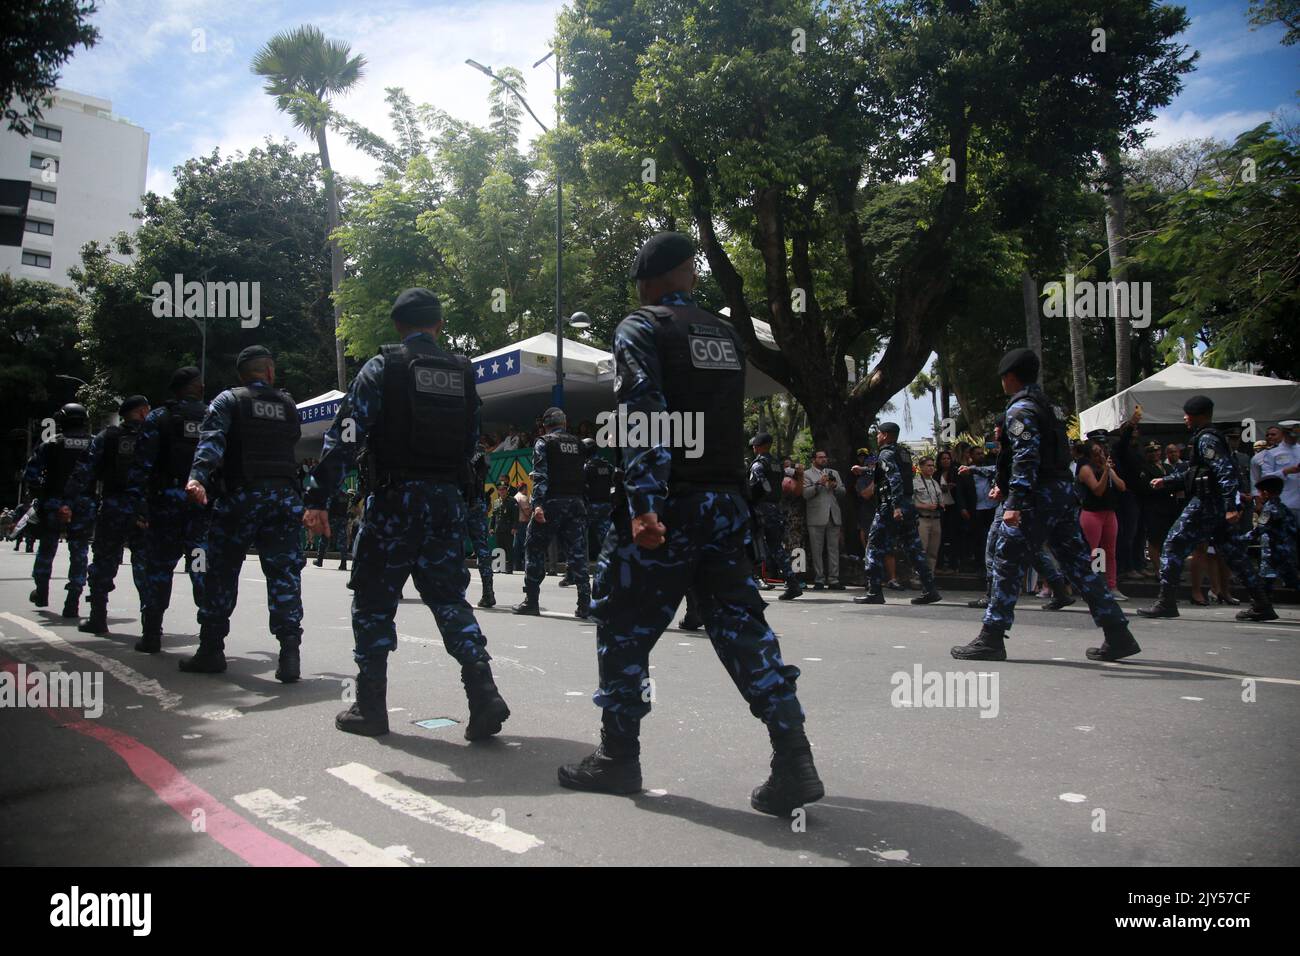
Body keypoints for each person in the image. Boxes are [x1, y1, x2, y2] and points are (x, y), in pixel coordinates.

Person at [558, 231, 821, 815]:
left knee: (623, 625)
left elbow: (644, 410)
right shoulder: (726, 334)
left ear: (648, 282)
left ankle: (617, 758)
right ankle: (794, 758)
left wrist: (644, 501)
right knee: (742, 629)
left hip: (670, 502)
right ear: (690, 275)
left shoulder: (641, 327)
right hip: (724, 503)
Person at [305, 288, 510, 739]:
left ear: (397, 326)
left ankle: (371, 707)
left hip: (395, 501)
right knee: (448, 598)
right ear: (438, 324)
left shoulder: (383, 368)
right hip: (447, 502)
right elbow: (472, 440)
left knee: (374, 600)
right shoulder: (462, 373)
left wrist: (319, 497)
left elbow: (345, 435)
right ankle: (483, 689)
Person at [951, 348, 1139, 662]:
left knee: (1006, 561)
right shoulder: (1046, 407)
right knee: (1080, 565)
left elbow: (1026, 456)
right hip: (1060, 495)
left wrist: (1016, 502)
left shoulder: (1020, 410)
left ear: (1009, 377)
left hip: (1037, 498)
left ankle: (992, 637)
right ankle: (1118, 632)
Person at [182, 346, 305, 680]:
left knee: (221, 572)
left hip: (241, 496)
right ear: (269, 371)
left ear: (242, 374)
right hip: (283, 497)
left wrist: (198, 477)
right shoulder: (288, 404)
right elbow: (291, 439)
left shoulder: (228, 400)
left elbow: (212, 441)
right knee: (284, 575)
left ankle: (211, 650)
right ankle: (289, 653)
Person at [1138, 396, 1276, 622]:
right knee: (1234, 554)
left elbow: (1224, 473)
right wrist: (1168, 481)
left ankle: (1166, 602)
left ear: (1197, 416)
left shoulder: (1206, 440)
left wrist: (1231, 507)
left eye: (1187, 415)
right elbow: (1197, 473)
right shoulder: (1208, 438)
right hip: (1215, 504)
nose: (1184, 419)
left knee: (1173, 545)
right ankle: (1262, 603)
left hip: (1206, 504)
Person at [127, 366, 210, 653]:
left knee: (160, 568)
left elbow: (141, 467)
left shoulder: (158, 418)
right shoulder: (214, 416)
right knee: (201, 566)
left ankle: (151, 633)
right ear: (197, 388)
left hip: (165, 507)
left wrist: (139, 508)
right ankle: (210, 638)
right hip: (201, 507)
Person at [62, 394, 152, 635]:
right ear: (142, 412)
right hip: (146, 509)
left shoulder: (107, 437)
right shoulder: (154, 436)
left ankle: (98, 618)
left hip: (114, 506)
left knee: (104, 561)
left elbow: (84, 470)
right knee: (146, 566)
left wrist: (67, 501)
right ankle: (151, 626)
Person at [513, 407, 591, 618]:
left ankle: (531, 601)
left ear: (545, 425)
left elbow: (540, 475)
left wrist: (537, 505)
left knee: (535, 548)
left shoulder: (544, 442)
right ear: (564, 423)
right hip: (576, 504)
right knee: (577, 553)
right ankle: (585, 603)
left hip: (552, 503)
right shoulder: (578, 444)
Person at [855, 423, 941, 606]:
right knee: (914, 548)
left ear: (885, 435)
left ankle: (874, 591)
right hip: (908, 505)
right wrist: (863, 470)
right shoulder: (902, 453)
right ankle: (930, 589)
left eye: (879, 434)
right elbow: (888, 472)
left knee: (873, 546)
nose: (877, 437)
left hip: (890, 507)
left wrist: (895, 506)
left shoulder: (886, 453)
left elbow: (894, 478)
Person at [23, 403, 95, 617]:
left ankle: (42, 591)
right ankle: (73, 600)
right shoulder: (93, 444)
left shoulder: (51, 443)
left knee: (47, 548)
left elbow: (31, 474)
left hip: (54, 502)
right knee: (80, 552)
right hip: (84, 504)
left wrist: (40, 495)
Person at [748, 432, 803, 600]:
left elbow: (757, 486)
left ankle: (751, 580)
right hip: (776, 508)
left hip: (760, 508)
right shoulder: (777, 464)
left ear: (758, 446)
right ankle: (792, 582)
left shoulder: (758, 464)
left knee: (751, 544)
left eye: (754, 445)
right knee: (776, 547)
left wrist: (751, 499)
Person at [1076, 438, 1127, 600]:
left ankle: (1112, 586)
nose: (1101, 456)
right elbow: (1097, 490)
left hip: (1109, 512)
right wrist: (1105, 472)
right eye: (1096, 453)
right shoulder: (1085, 469)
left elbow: (1122, 486)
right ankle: (1089, 586)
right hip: (1092, 513)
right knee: (1092, 551)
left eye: (1102, 452)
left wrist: (1109, 470)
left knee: (1110, 552)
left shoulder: (1107, 467)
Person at [802, 450, 845, 590]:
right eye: (820, 457)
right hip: (816, 516)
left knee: (834, 549)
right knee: (817, 550)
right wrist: (818, 484)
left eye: (825, 457)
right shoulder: (807, 474)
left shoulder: (834, 473)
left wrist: (835, 486)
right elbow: (805, 494)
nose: (823, 459)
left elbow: (843, 492)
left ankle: (834, 579)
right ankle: (819, 579)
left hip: (833, 515)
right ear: (813, 459)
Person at [1249, 475, 1299, 594]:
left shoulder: (1269, 508)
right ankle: (1262, 608)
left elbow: (1259, 530)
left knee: (1265, 584)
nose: (1259, 496)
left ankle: (1261, 608)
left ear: (1265, 493)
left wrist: (1239, 539)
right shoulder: (1284, 508)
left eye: (1259, 493)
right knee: (1289, 580)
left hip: (1273, 553)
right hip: (1286, 552)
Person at [465, 439, 495, 608]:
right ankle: (488, 593)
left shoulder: (459, 444)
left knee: (453, 547)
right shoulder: (481, 450)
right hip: (478, 501)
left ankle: (455, 593)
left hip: (460, 502)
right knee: (482, 549)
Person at [582, 437, 616, 563]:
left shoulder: (586, 467)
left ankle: (580, 569)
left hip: (590, 506)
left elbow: (582, 486)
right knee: (606, 537)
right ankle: (613, 564)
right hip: (606, 505)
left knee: (580, 538)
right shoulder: (608, 466)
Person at [313, 492, 352, 571]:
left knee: (324, 539)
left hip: (331, 519)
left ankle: (319, 560)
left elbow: (326, 508)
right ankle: (343, 563)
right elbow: (348, 509)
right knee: (342, 542)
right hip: (342, 519)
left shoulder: (331, 494)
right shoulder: (345, 496)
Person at [490, 483, 518, 573]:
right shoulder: (497, 502)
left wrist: (514, 527)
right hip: (499, 528)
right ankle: (499, 567)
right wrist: (491, 527)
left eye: (503, 489)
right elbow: (494, 516)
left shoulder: (512, 501)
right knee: (499, 548)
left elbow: (515, 516)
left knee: (509, 548)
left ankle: (509, 568)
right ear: (498, 491)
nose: (502, 491)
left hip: (508, 528)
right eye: (500, 490)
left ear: (507, 491)